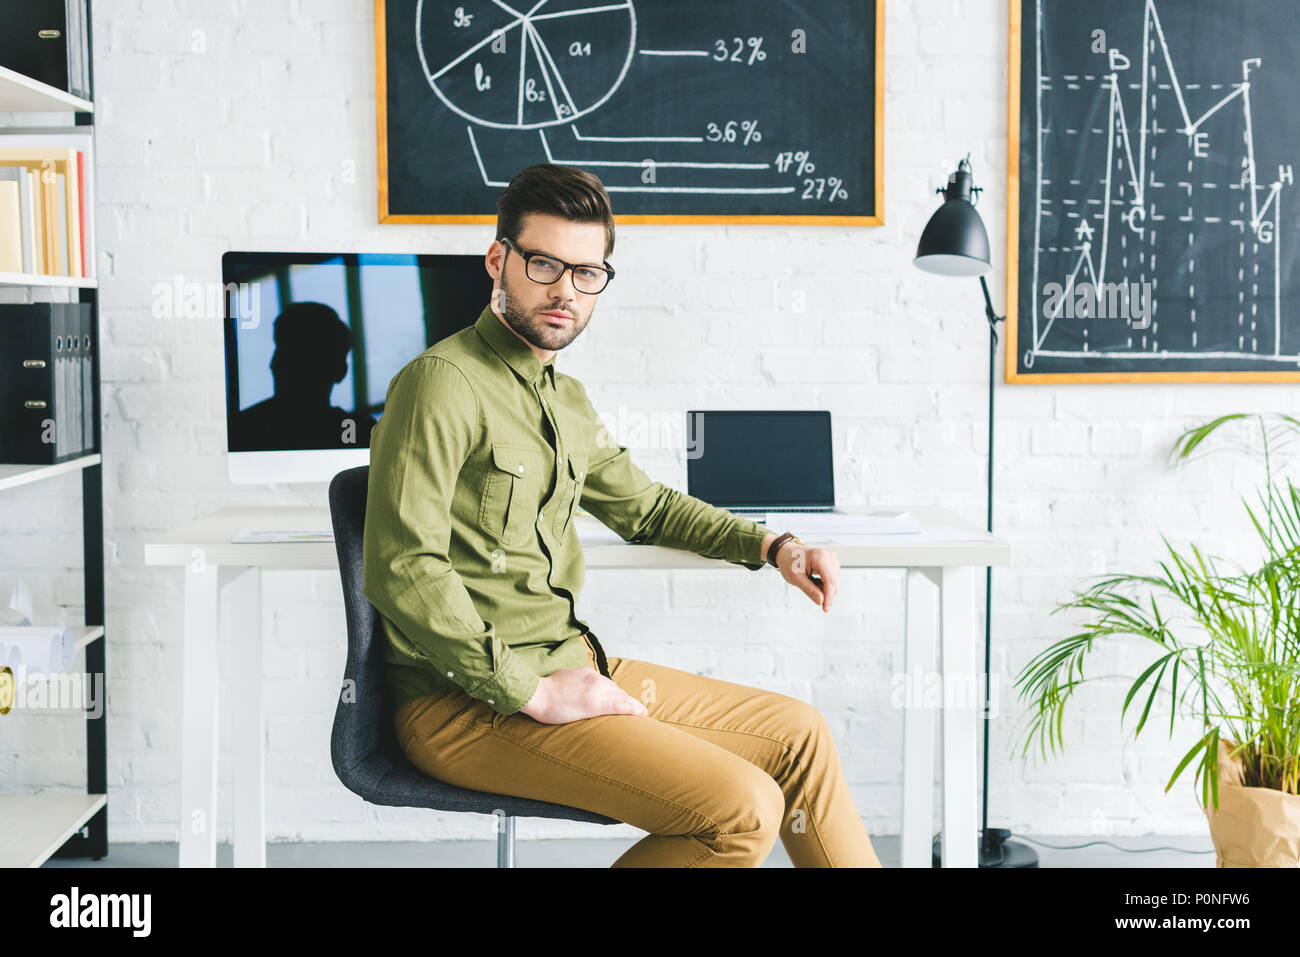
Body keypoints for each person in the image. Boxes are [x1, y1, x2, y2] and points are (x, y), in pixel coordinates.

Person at [362, 163, 881, 867]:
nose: (563, 291)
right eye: (544, 264)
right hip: (464, 704)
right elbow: (404, 568)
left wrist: (773, 545)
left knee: (800, 735)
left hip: (571, 661)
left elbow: (646, 507)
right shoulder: (440, 383)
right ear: (498, 260)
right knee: (742, 809)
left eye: (586, 273)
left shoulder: (564, 398)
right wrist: (532, 690)